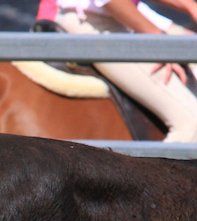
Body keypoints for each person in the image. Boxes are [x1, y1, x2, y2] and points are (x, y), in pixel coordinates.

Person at [39, 0, 197, 142]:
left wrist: (189, 6)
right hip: (97, 23)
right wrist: (159, 39)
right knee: (192, 121)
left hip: (112, 20)